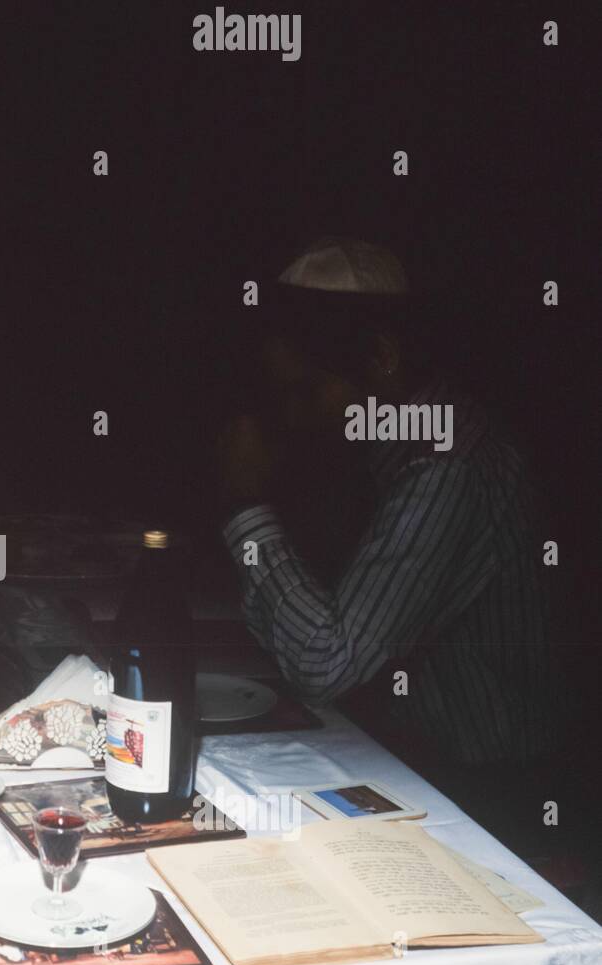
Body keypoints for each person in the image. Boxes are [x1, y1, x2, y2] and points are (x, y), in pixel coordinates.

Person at [216, 237, 557, 779]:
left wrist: (245, 504)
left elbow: (325, 664)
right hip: (412, 752)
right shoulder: (384, 442)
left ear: (382, 357)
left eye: (306, 391)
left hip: (490, 783)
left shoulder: (447, 462)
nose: (293, 417)